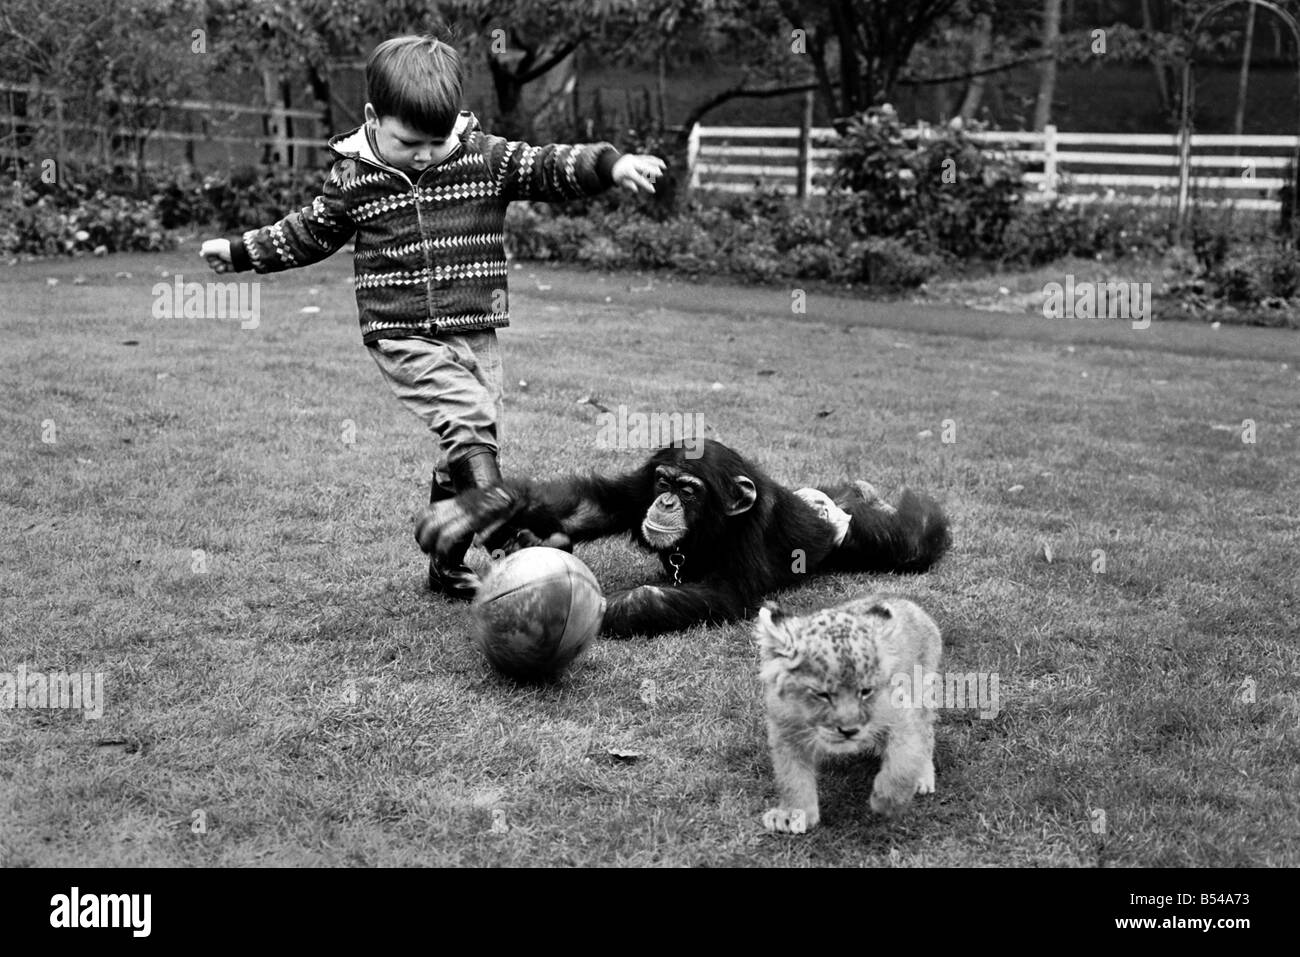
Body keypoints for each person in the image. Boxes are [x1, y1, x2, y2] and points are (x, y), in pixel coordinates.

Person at [199, 35, 666, 600]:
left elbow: (546, 165)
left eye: (435, 142)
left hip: (474, 325)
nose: (423, 155)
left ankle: (446, 562)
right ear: (373, 118)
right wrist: (244, 251)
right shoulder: (353, 180)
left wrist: (609, 165)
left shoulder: (482, 157)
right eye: (409, 142)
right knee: (467, 416)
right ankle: (502, 523)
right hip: (400, 331)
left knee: (469, 444)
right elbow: (308, 232)